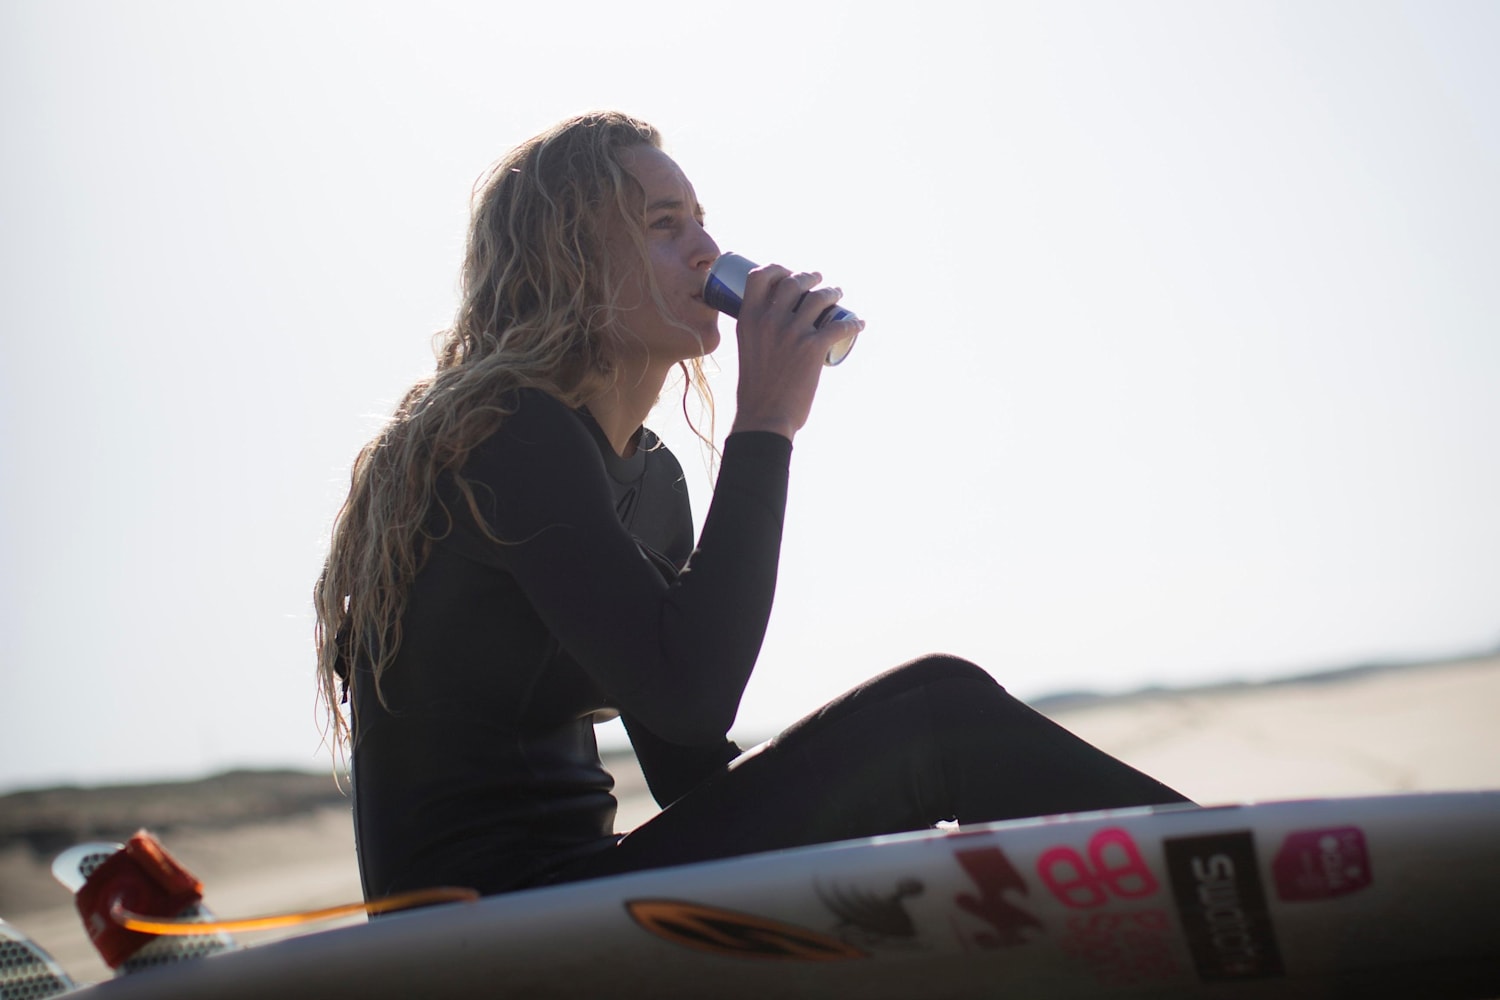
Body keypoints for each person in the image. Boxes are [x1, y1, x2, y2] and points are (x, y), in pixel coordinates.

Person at [314, 111, 1192, 902]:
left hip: (583, 891)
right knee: (935, 715)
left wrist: (867, 816)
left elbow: (689, 763)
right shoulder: (504, 435)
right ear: (568, 264)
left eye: (700, 221)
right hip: (481, 923)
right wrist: (766, 422)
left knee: (919, 744)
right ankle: (1227, 868)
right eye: (664, 226)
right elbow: (692, 696)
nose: (706, 250)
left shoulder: (648, 476)